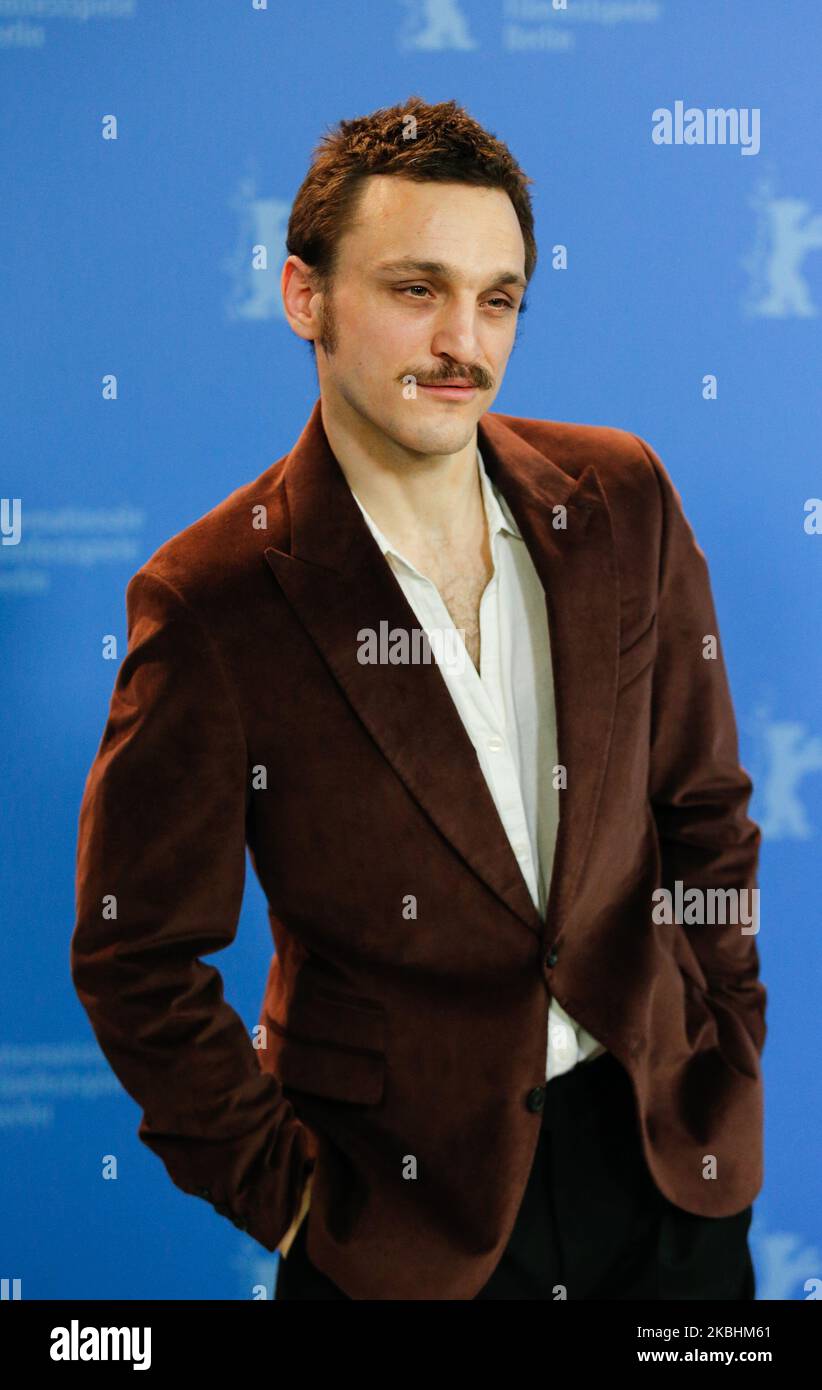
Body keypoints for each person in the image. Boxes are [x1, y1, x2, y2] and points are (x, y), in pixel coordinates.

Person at [71, 96, 766, 1301]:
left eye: (497, 298)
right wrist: (293, 1206)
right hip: (397, 1227)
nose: (466, 342)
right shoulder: (212, 602)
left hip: (667, 1169)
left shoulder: (621, 496)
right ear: (305, 298)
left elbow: (702, 805)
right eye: (416, 289)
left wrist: (724, 1048)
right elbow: (136, 957)